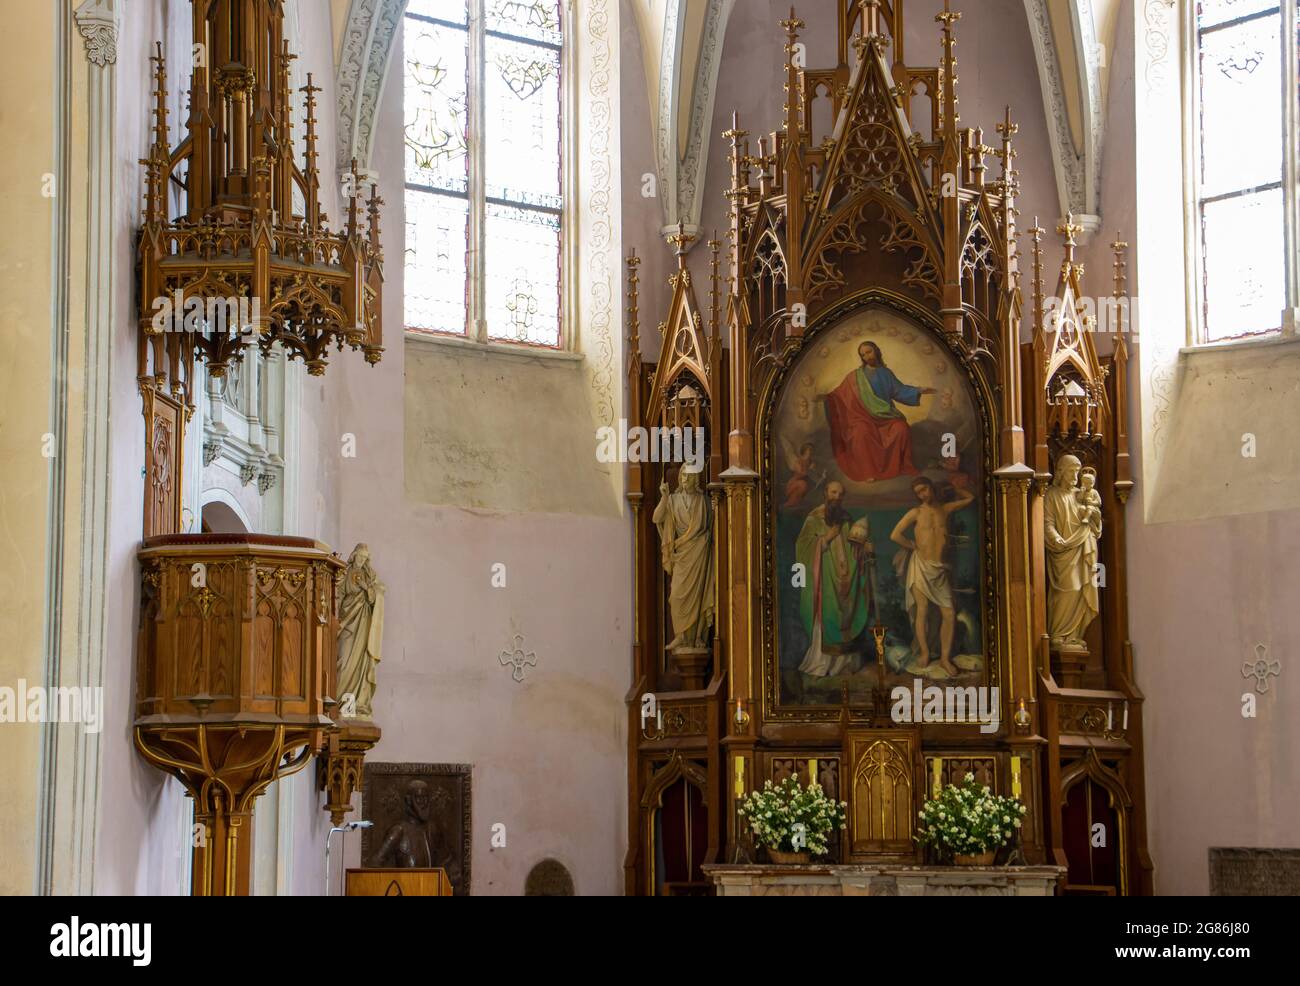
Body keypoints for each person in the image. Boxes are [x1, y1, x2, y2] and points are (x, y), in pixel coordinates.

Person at [816, 341, 934, 482]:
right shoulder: (855, 376)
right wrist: (827, 397)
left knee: (901, 428)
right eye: (863, 354)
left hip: (887, 416)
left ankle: (902, 467)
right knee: (860, 432)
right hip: (863, 418)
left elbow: (899, 391)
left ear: (876, 351)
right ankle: (868, 472)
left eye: (869, 351)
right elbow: (840, 395)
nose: (867, 356)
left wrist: (919, 390)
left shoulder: (886, 373)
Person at [890, 477, 973, 675]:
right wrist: (912, 546)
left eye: (925, 489)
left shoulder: (945, 509)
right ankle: (925, 653)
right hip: (920, 566)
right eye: (918, 492)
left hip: (940, 569)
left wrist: (954, 485)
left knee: (949, 614)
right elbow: (895, 535)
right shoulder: (916, 512)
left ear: (932, 487)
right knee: (923, 611)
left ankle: (944, 658)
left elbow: (970, 498)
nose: (923, 494)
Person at [796, 481, 873, 676]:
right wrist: (826, 538)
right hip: (824, 581)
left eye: (840, 493)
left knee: (846, 616)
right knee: (827, 617)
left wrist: (864, 549)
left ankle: (845, 665)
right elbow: (802, 548)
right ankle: (824, 665)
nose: (837, 497)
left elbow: (853, 546)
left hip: (845, 579)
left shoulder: (845, 519)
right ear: (825, 493)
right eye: (833, 492)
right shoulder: (813, 519)